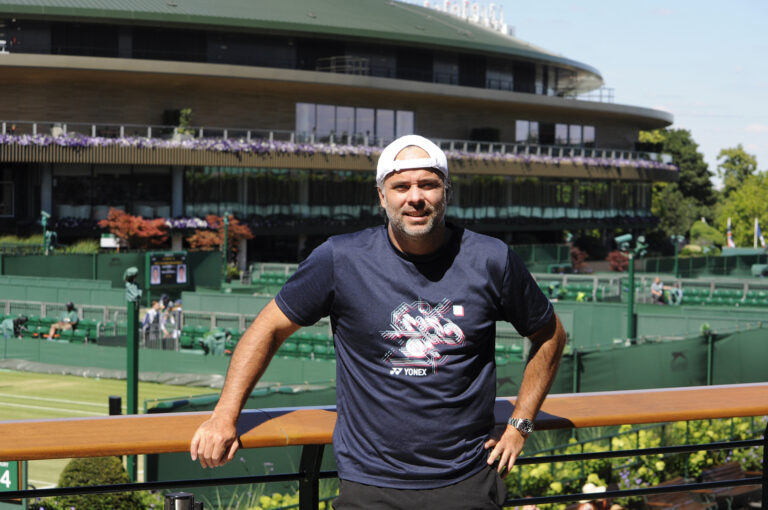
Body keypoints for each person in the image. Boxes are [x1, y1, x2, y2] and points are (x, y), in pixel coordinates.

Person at [189, 135, 566, 509]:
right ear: (382, 197)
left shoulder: (491, 259)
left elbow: (550, 335)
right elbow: (268, 328)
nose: (415, 197)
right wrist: (224, 416)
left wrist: (520, 426)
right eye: (401, 186)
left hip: (467, 479)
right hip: (369, 486)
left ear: (446, 192)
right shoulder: (341, 258)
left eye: (428, 185)